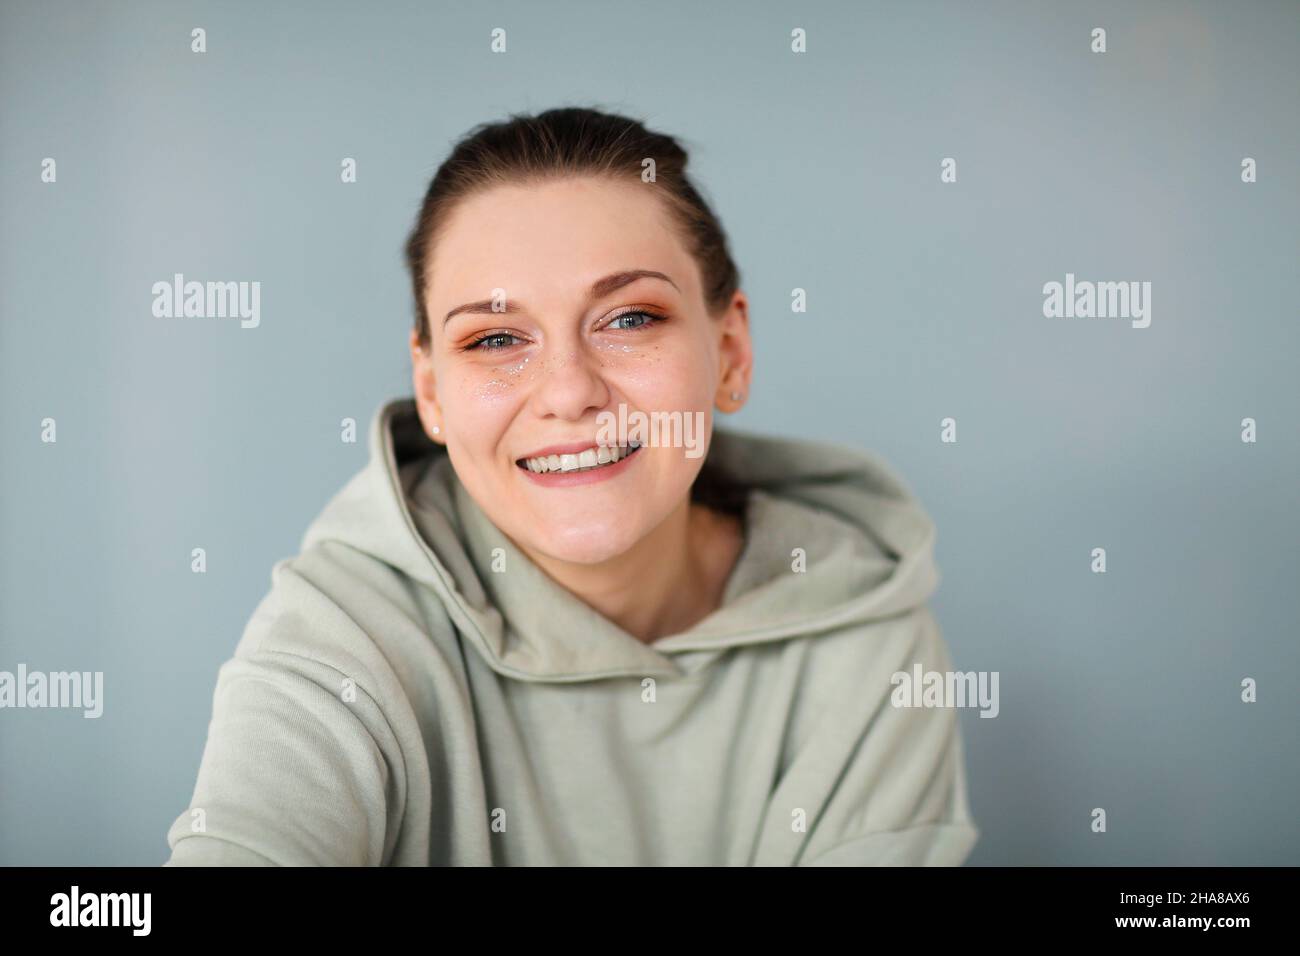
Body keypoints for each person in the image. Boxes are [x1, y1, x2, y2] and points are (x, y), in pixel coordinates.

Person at [164, 106, 979, 865]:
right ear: (434, 393)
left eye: (629, 320)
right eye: (494, 338)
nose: (567, 391)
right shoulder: (344, 641)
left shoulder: (862, 636)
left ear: (730, 351)